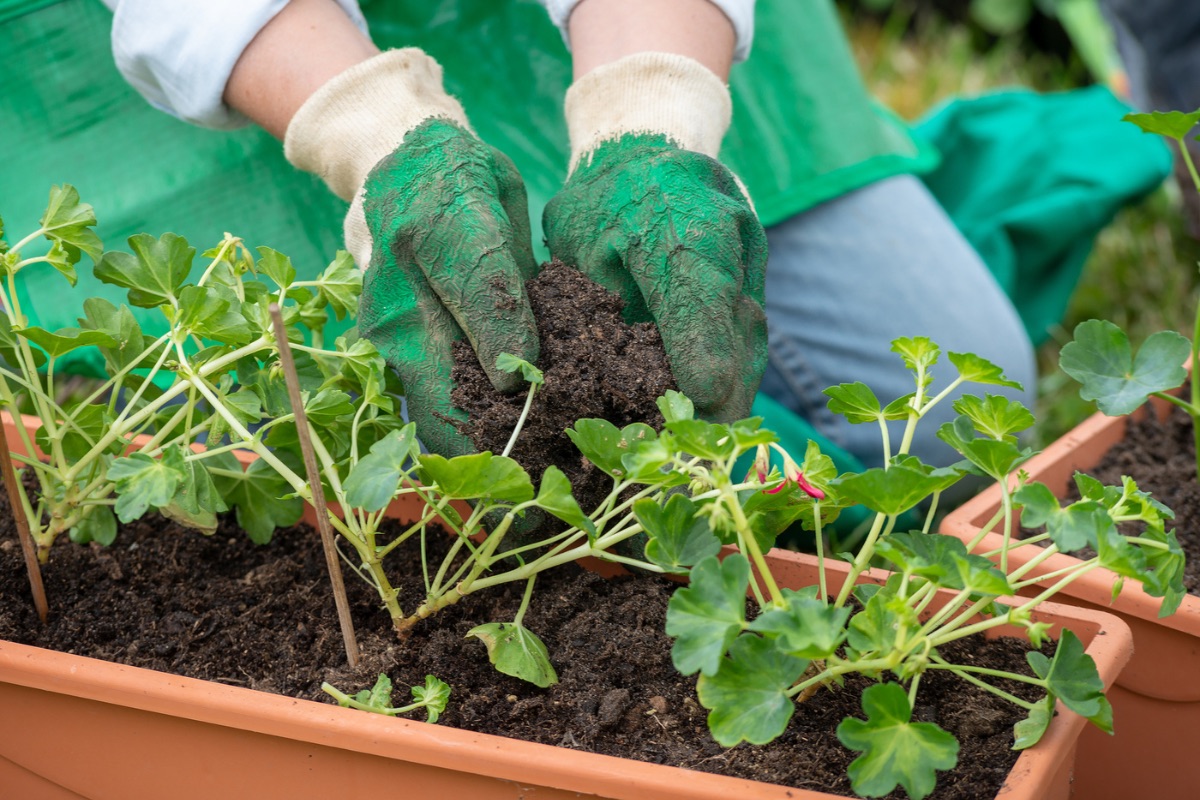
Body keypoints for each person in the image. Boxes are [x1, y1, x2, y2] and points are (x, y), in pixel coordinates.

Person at [99, 0, 1035, 470]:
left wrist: (650, 109)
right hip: (246, 54)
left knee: (946, 412)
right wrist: (370, 129)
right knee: (290, 452)